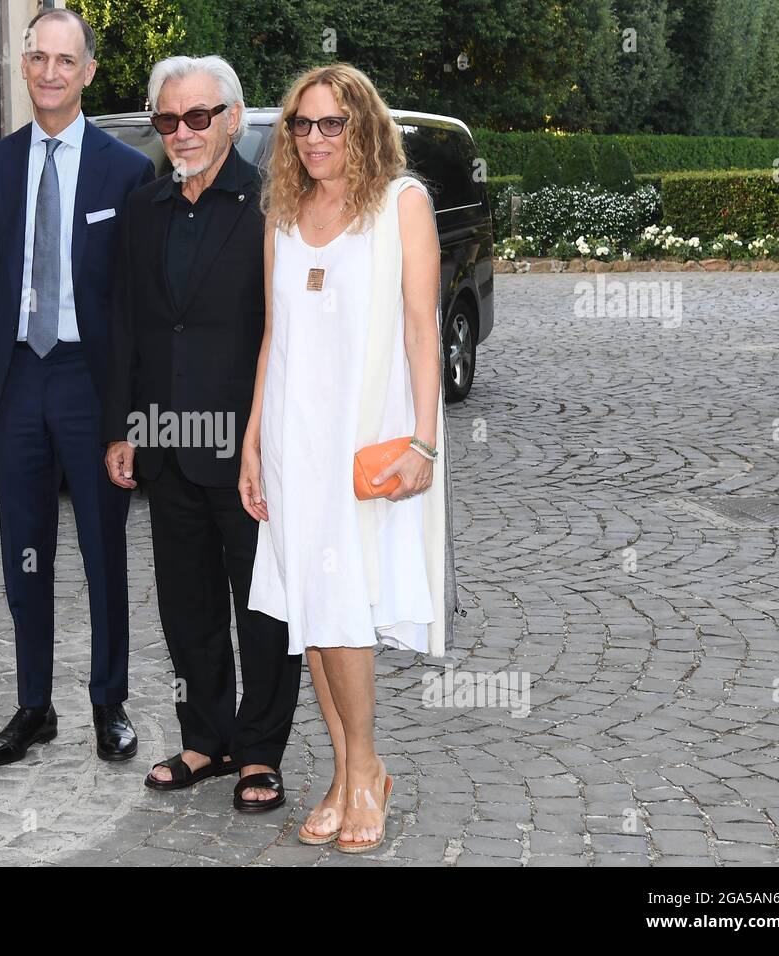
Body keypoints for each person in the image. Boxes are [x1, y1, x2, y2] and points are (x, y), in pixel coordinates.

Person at [244, 64, 462, 852]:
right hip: (295, 438)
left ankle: (365, 769)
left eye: (331, 124)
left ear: (363, 126)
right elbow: (274, 334)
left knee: (345, 609)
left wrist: (426, 441)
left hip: (366, 436)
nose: (313, 140)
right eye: (301, 125)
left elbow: (420, 329)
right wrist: (252, 440)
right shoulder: (284, 210)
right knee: (313, 606)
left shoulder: (402, 204)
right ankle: (345, 774)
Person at [103, 56, 301, 812]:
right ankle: (207, 738)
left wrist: (266, 437)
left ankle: (260, 751)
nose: (181, 132)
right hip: (163, 442)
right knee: (187, 606)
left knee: (262, 606)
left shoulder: (270, 209)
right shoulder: (143, 208)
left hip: (247, 446)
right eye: (167, 119)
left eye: (197, 116)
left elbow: (284, 336)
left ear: (232, 117)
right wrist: (122, 429)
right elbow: (129, 326)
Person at [0, 8, 154, 767]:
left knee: (102, 547)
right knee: (24, 552)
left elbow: (135, 302)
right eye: (37, 57)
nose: (50, 71)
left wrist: (129, 416)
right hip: (19, 381)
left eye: (64, 60)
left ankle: (109, 703)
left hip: (90, 383)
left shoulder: (127, 171)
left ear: (88, 72)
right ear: (24, 65)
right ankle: (33, 706)